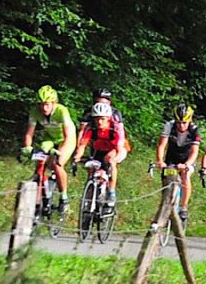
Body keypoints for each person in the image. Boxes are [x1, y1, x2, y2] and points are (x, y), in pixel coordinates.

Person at [22, 86, 77, 219]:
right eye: (41, 104)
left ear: (54, 103)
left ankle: (64, 198)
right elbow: (29, 133)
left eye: (47, 104)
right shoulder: (35, 112)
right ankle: (40, 190)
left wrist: (59, 151)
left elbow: (68, 135)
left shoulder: (61, 111)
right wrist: (27, 147)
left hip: (67, 139)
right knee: (40, 158)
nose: (44, 108)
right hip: (50, 139)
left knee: (57, 164)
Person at [72, 101, 127, 211]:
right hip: (99, 150)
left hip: (115, 149)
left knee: (110, 160)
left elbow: (119, 148)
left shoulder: (115, 128)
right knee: (91, 167)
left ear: (108, 118)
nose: (99, 122)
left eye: (102, 119)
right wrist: (77, 157)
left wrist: (114, 160)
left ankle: (111, 193)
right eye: (97, 119)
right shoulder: (91, 127)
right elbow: (83, 145)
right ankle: (90, 194)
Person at [155, 104, 201, 223]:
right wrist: (160, 160)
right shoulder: (169, 126)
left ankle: (183, 207)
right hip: (172, 157)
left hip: (187, 158)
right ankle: (165, 206)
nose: (181, 125)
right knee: (167, 178)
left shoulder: (195, 129)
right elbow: (161, 145)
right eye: (179, 122)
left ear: (190, 120)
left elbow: (194, 152)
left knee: (185, 176)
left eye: (184, 123)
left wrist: (187, 165)